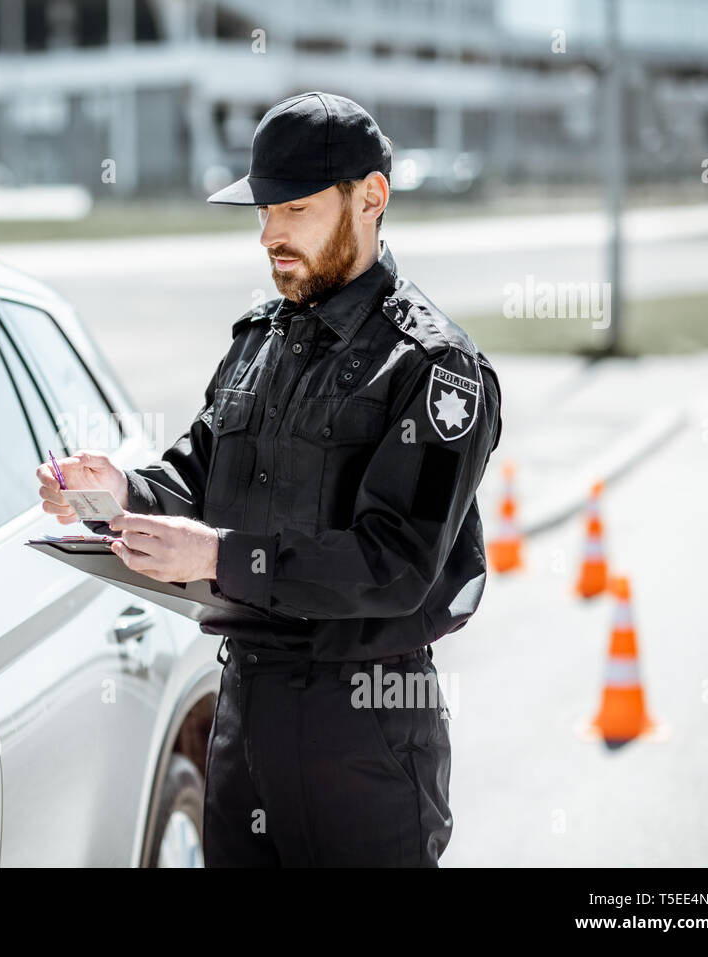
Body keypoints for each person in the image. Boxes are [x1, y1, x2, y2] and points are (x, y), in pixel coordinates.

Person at [36, 92, 502, 867]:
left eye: (293, 208)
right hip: (243, 712)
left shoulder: (432, 368)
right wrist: (122, 489)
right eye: (261, 211)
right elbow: (200, 470)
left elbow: (393, 567)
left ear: (371, 199)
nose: (269, 235)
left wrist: (218, 556)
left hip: (363, 726)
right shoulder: (261, 338)